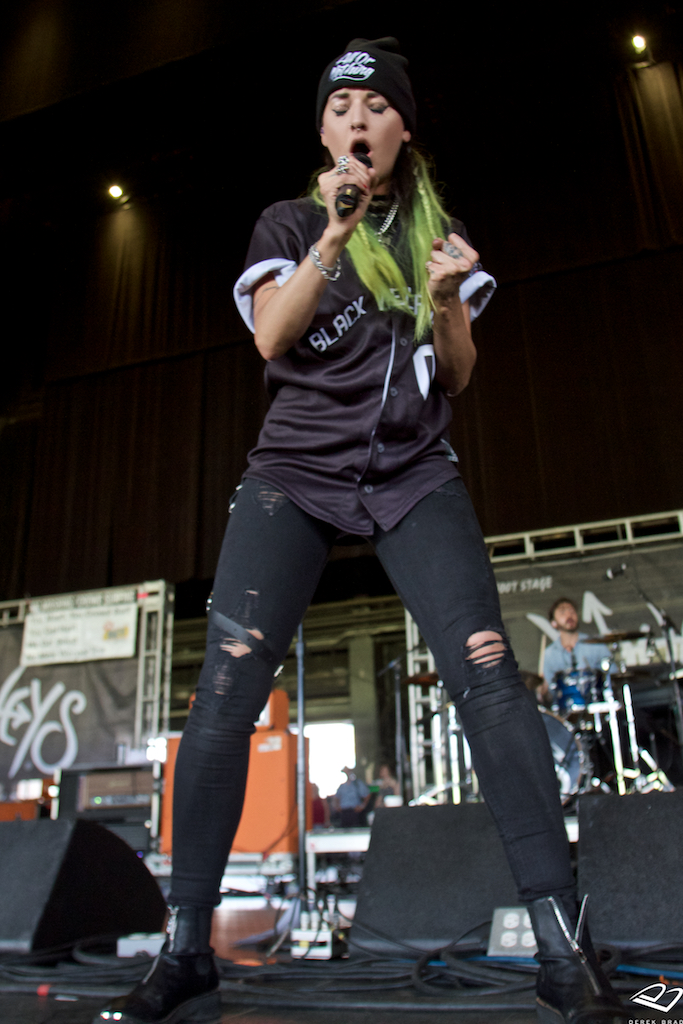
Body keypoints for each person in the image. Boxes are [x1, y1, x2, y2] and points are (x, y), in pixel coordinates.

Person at [96, 38, 626, 1024]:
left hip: (412, 472)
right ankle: (184, 944)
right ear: (323, 131)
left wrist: (440, 303)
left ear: (400, 129)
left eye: (372, 106)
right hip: (292, 475)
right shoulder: (291, 220)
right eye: (338, 107)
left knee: (488, 676)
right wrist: (330, 242)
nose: (354, 120)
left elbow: (458, 374)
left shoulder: (440, 232)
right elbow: (268, 334)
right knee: (223, 691)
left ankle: (561, 944)